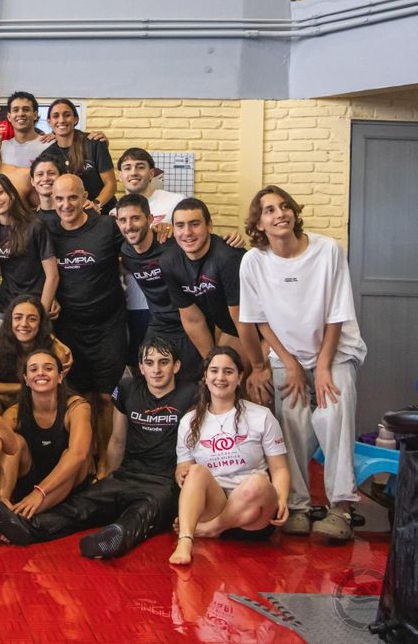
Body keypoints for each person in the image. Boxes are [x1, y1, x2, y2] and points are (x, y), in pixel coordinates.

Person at [0, 337, 198, 559]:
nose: (156, 369)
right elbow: (117, 441)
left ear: (176, 366)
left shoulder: (191, 394)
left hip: (164, 481)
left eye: (164, 362)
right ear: (140, 367)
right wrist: (109, 478)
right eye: (149, 363)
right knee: (81, 505)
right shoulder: (126, 388)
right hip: (127, 474)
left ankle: (114, 539)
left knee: (142, 512)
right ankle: (26, 528)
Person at [239, 185, 367, 541]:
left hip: (336, 349)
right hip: (287, 353)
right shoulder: (253, 261)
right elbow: (258, 319)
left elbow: (336, 315)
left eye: (284, 207)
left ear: (294, 213)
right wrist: (289, 363)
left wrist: (322, 367)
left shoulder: (328, 250)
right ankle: (296, 504)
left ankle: (340, 506)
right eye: (269, 210)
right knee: (291, 418)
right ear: (259, 223)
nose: (279, 214)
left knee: (332, 413)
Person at [0, 350, 93, 554]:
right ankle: (2, 511)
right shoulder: (16, 411)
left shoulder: (77, 406)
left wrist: (39, 493)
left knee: (71, 458)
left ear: (60, 376)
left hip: (64, 482)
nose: (41, 373)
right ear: (26, 379)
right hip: (28, 479)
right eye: (34, 369)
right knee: (12, 442)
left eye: (48, 368)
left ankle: (17, 518)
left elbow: (79, 454)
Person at [169, 347, 290, 565]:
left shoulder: (261, 416)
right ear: (205, 377)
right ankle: (185, 541)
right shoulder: (189, 421)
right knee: (196, 471)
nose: (220, 377)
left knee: (258, 483)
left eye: (228, 371)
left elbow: (279, 468)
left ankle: (210, 529)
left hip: (253, 514)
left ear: (239, 377)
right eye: (214, 371)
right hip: (213, 505)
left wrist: (281, 499)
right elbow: (183, 467)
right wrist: (182, 475)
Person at [161, 198, 272, 402]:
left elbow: (243, 320)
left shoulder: (228, 257)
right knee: (218, 385)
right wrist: (211, 364)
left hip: (267, 328)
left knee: (256, 389)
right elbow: (193, 319)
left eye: (195, 224)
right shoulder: (169, 261)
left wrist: (258, 367)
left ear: (209, 226)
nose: (187, 233)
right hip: (233, 328)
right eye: (180, 225)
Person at [47, 175, 127, 409]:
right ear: (52, 201)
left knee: (106, 397)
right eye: (60, 199)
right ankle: (87, 446)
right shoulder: (47, 231)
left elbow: (138, 245)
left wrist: (164, 230)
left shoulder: (107, 226)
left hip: (108, 326)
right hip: (69, 327)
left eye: (73, 197)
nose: (66, 204)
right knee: (78, 398)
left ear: (84, 198)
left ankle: (107, 447)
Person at [115, 194, 202, 382]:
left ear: (150, 219)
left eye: (135, 218)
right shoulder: (125, 251)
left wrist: (233, 240)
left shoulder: (172, 243)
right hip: (159, 323)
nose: (129, 226)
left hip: (189, 322)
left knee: (191, 382)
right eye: (123, 220)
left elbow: (204, 247)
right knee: (148, 376)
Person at [0, 296, 74, 407]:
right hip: (6, 404)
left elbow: (53, 388)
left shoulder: (56, 351)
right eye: (18, 318)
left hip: (41, 405)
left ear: (40, 323)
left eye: (32, 319)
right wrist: (23, 386)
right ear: (10, 321)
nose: (24, 324)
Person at [0, 173, 58, 314]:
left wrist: (42, 313)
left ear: (12, 194)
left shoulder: (35, 226)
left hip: (34, 304)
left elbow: (52, 276)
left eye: (0, 192)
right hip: (4, 307)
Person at [39, 99, 117, 212]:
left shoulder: (94, 143)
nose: (61, 120)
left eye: (67, 115)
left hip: (103, 212)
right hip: (70, 216)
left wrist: (96, 204)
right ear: (49, 122)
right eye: (56, 116)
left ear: (75, 119)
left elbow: (111, 184)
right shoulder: (47, 155)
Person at [116, 148, 184, 226]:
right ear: (120, 176)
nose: (133, 172)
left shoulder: (176, 201)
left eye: (140, 167)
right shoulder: (115, 213)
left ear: (151, 174)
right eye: (127, 168)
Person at [0, 92, 48, 169]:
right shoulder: (1, 147)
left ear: (35, 115)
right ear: (9, 117)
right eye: (16, 110)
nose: (21, 114)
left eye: (26, 109)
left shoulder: (48, 144)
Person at [29, 154, 62, 222]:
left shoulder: (73, 212)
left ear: (61, 177)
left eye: (51, 173)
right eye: (40, 174)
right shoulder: (29, 220)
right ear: (32, 181)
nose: (45, 179)